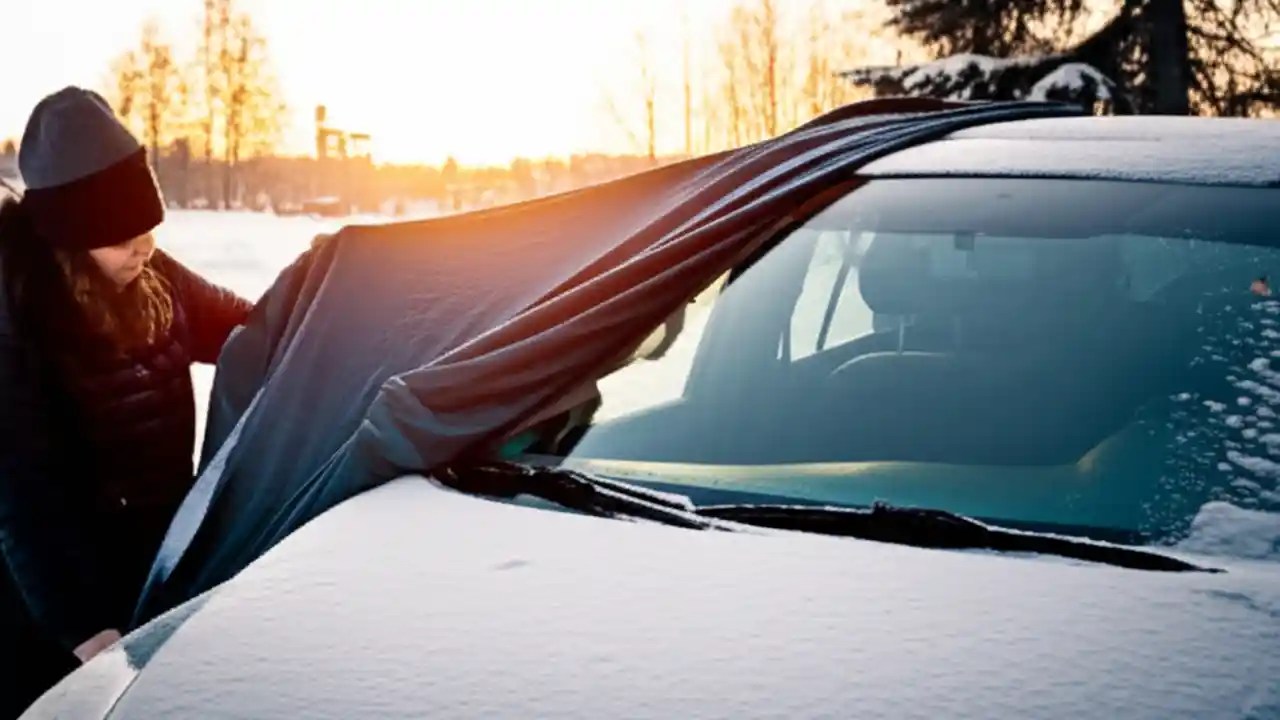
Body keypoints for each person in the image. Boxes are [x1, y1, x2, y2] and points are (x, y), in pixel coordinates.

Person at [0, 87, 252, 713]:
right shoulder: (19, 318)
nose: (142, 246)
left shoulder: (153, 275)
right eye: (121, 236)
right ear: (71, 236)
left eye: (148, 228)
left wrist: (321, 308)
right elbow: (23, 496)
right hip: (56, 601)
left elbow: (245, 327)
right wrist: (85, 629)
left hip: (156, 558)